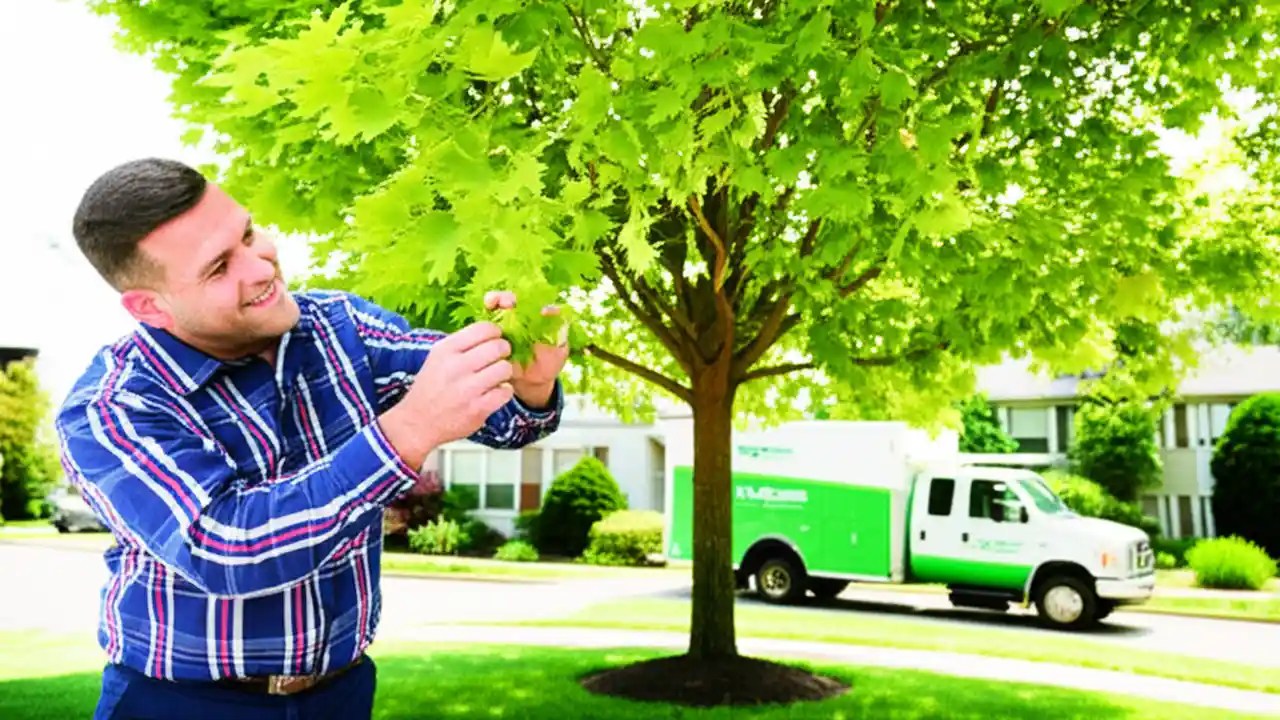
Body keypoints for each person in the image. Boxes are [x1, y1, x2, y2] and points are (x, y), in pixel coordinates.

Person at [54, 157, 568, 719]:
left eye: (247, 233)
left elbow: (502, 417)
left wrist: (528, 381)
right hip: (181, 703)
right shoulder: (113, 406)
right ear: (149, 306)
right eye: (219, 267)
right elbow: (225, 548)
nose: (260, 267)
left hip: (340, 693)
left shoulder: (338, 325)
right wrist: (408, 431)